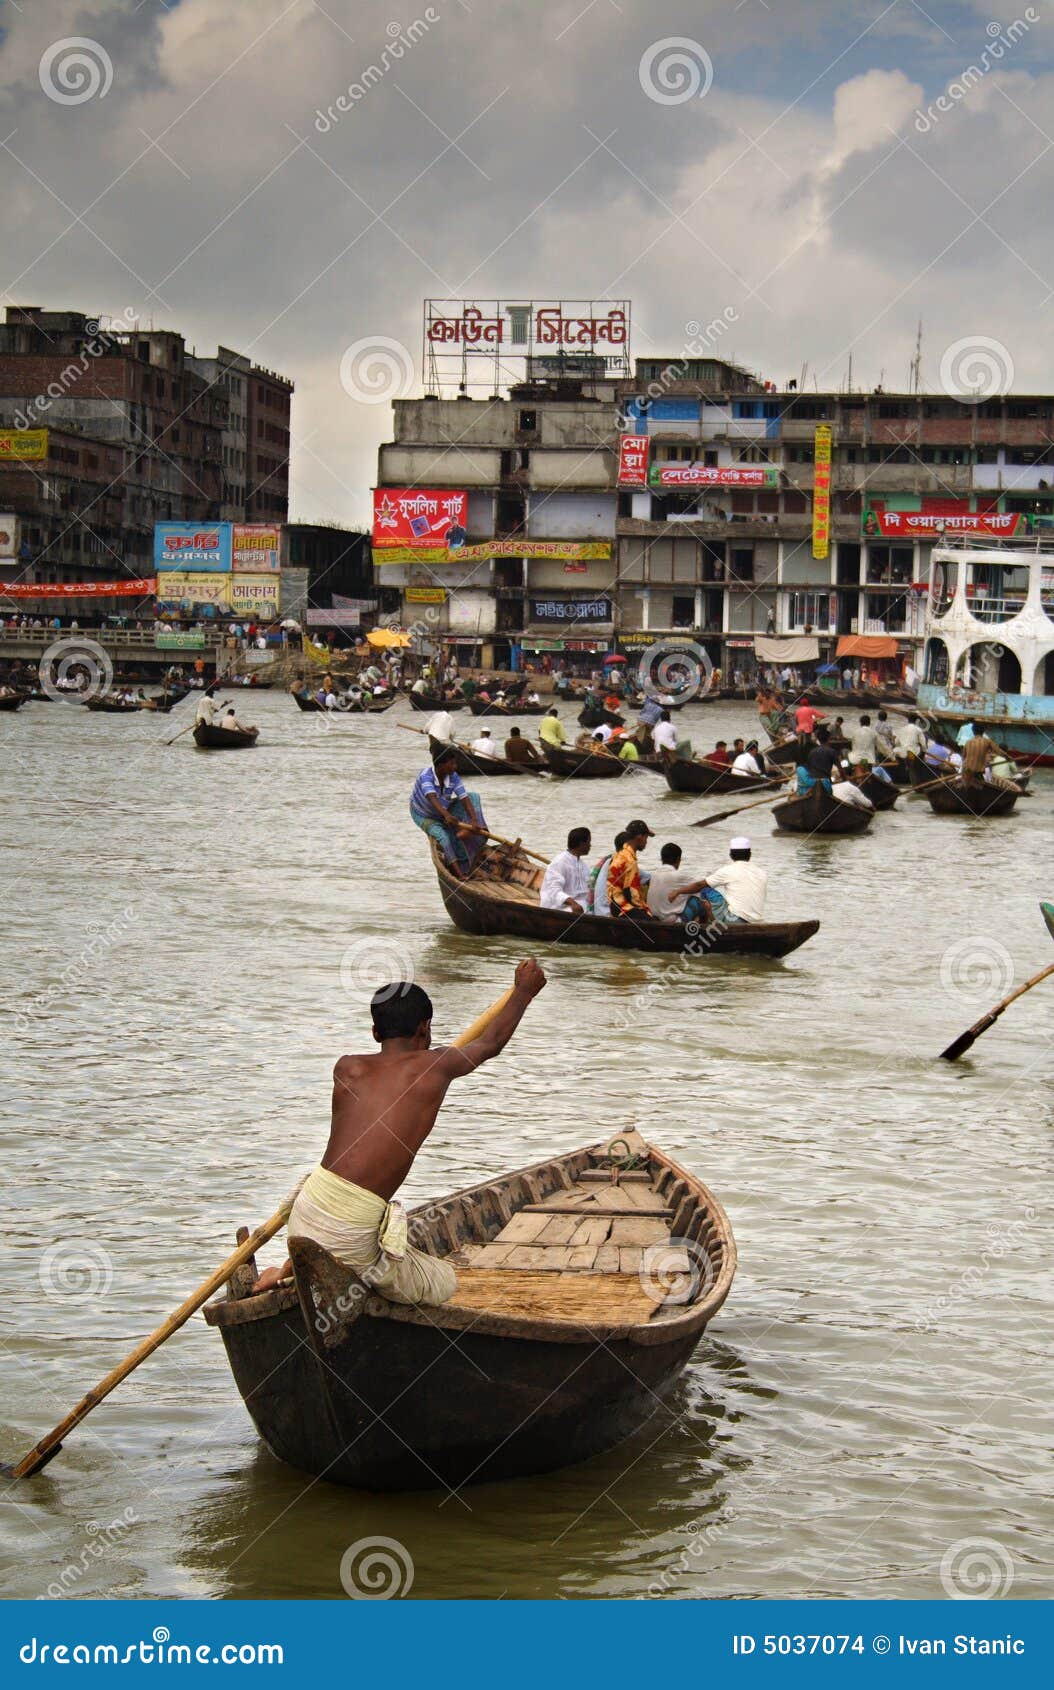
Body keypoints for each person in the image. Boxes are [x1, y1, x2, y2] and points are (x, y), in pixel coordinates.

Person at [252, 960, 547, 1301]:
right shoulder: (437, 1066)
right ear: (425, 1028)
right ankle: (310, 1274)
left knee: (352, 1241)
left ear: (376, 1033)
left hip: (306, 1213)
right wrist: (524, 992)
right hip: (348, 1233)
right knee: (441, 1283)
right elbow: (491, 1043)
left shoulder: (346, 1067)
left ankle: (291, 1269)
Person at [409, 748, 487, 877]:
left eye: (455, 763)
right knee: (443, 837)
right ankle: (459, 874)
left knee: (473, 796)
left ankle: (474, 829)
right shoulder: (425, 776)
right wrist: (447, 816)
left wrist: (474, 820)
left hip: (444, 809)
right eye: (452, 764)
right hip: (424, 814)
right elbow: (432, 797)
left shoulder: (453, 776)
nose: (455, 767)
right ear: (441, 765)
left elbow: (464, 798)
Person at [698, 837, 768, 924]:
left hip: (735, 920)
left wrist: (678, 891)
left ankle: (703, 924)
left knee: (704, 889)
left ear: (731, 855)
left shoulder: (728, 870)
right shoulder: (762, 872)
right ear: (750, 854)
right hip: (757, 921)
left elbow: (701, 885)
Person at [646, 843, 711, 924]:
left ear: (662, 859)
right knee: (700, 899)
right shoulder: (678, 875)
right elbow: (700, 885)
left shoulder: (654, 875)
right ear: (678, 859)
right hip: (673, 921)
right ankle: (703, 928)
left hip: (654, 917)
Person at [607, 820, 655, 918]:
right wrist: (644, 911)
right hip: (621, 906)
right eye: (646, 837)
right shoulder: (630, 860)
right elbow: (630, 892)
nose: (646, 841)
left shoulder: (620, 854)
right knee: (650, 919)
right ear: (639, 837)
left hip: (614, 904)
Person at [539, 828, 593, 913]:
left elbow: (589, 888)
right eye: (588, 842)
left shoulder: (584, 866)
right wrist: (573, 903)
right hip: (558, 907)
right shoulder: (559, 862)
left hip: (580, 905)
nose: (590, 845)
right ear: (581, 843)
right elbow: (553, 890)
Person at [590, 832, 626, 917]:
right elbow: (647, 879)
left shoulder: (608, 859)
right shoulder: (621, 862)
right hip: (607, 913)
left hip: (598, 911)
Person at [797, 724, 839, 795]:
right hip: (825, 784)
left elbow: (811, 768)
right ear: (829, 739)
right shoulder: (831, 751)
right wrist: (845, 779)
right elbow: (840, 768)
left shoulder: (812, 752)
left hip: (814, 785)